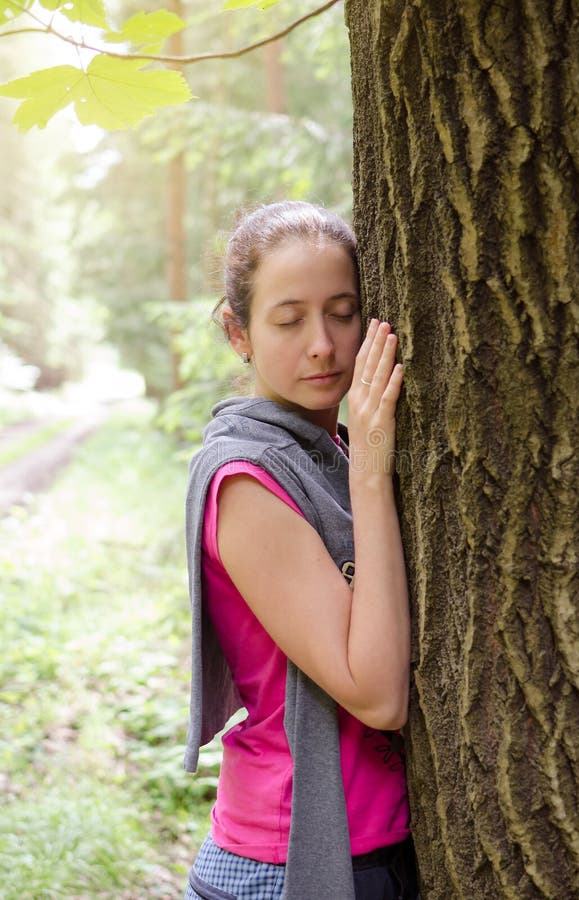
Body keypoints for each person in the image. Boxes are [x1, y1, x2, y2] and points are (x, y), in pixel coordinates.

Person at [183, 201, 418, 900]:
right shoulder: (245, 483)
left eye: (342, 313)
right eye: (288, 320)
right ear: (238, 332)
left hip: (378, 846)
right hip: (287, 866)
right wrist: (373, 473)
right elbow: (378, 696)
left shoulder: (328, 453)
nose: (322, 344)